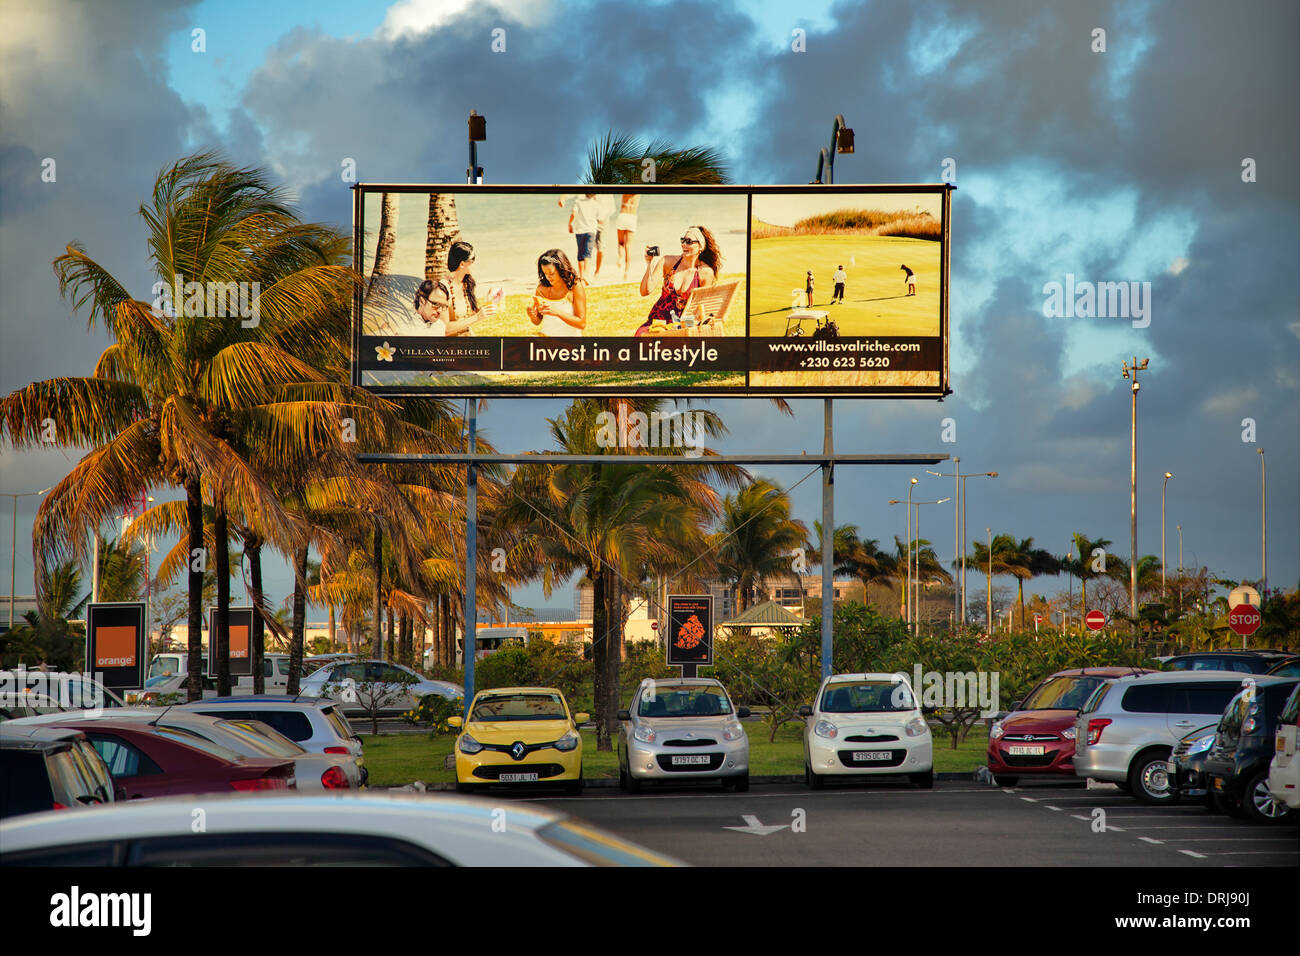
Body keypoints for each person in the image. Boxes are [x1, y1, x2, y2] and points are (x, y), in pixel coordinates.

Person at [637, 225, 720, 335]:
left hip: (684, 325)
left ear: (700, 246)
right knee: (640, 336)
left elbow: (701, 308)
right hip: (658, 322)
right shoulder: (668, 262)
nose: (683, 244)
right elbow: (644, 291)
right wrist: (650, 264)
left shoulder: (705, 273)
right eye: (683, 240)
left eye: (689, 241)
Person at [527, 248, 586, 337]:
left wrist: (556, 312)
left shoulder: (575, 287)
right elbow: (538, 321)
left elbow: (581, 324)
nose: (548, 277)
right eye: (545, 273)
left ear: (561, 269)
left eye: (551, 273)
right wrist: (532, 316)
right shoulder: (541, 289)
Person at [444, 240, 497, 336]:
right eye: (472, 260)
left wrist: (488, 303)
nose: (475, 264)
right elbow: (445, 329)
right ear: (462, 264)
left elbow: (468, 316)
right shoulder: (443, 288)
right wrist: (477, 317)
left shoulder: (466, 283)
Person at [412, 279, 484, 336]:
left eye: (443, 306)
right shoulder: (406, 327)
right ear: (422, 301)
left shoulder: (439, 327)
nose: (440, 310)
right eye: (436, 304)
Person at [565, 193, 601, 283]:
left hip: (580, 230)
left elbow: (573, 213)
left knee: (580, 254)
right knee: (587, 254)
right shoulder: (596, 204)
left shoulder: (578, 202)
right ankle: (586, 275)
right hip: (591, 230)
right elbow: (600, 218)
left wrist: (570, 223)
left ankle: (581, 277)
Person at [616, 194, 640, 279]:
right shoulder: (637, 194)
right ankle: (626, 271)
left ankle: (620, 257)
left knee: (621, 243)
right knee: (628, 246)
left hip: (623, 215)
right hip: (632, 217)